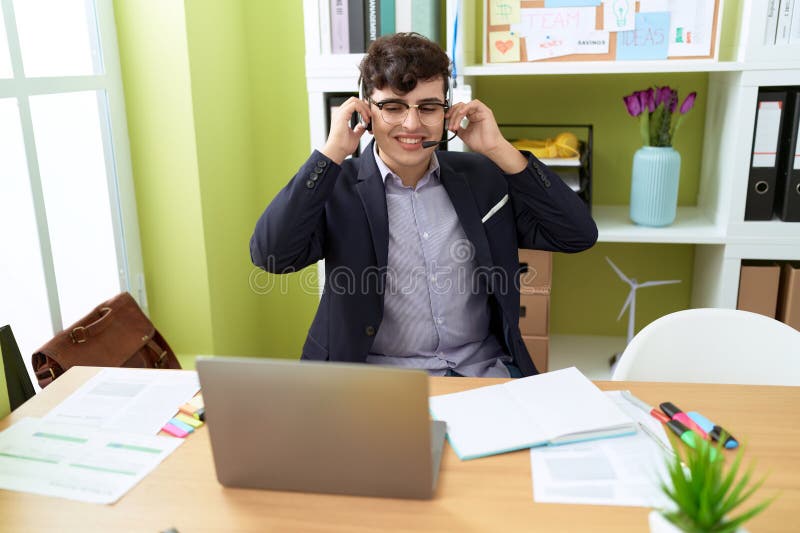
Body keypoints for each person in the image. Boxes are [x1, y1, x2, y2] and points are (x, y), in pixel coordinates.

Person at [250, 33, 596, 378]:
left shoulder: (482, 178)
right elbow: (272, 255)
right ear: (366, 110)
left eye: (428, 107)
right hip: (376, 378)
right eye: (393, 107)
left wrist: (499, 149)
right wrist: (331, 153)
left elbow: (576, 234)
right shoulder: (336, 186)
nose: (412, 124)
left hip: (481, 371)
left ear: (447, 112)